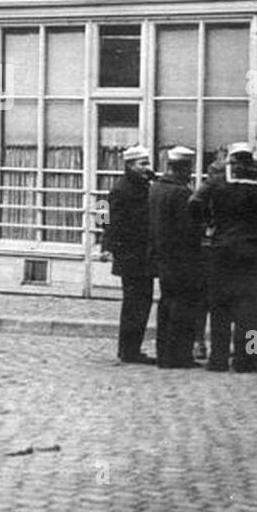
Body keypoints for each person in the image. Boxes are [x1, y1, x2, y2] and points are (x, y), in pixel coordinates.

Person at [193, 144, 257, 373]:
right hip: (255, 261)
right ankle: (250, 358)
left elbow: (194, 205)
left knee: (220, 310)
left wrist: (208, 227)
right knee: (252, 314)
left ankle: (218, 358)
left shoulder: (216, 188)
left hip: (222, 256)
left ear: (232, 164)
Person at [148, 146, 206, 369]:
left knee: (166, 304)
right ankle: (180, 355)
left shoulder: (155, 189)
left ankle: (164, 354)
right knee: (183, 307)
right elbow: (189, 228)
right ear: (185, 169)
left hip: (162, 258)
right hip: (182, 258)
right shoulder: (182, 193)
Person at [104, 145, 157, 364]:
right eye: (142, 163)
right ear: (130, 165)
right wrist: (108, 244)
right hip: (131, 255)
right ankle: (129, 351)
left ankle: (130, 349)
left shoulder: (142, 185)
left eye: (147, 162)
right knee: (135, 304)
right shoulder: (122, 188)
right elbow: (104, 214)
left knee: (140, 303)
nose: (147, 167)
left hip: (140, 254)